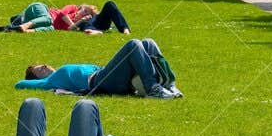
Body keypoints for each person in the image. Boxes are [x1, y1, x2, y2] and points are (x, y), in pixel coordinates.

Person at [15, 36, 180, 99]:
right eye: (39, 70)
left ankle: (169, 84)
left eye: (42, 65)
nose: (44, 66)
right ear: (38, 79)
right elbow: (19, 84)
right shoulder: (49, 82)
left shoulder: (59, 72)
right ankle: (153, 88)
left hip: (105, 73)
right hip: (100, 82)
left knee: (148, 42)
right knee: (133, 44)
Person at [0, 0, 131, 35]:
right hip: (41, 10)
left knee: (50, 28)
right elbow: (62, 13)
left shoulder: (84, 21)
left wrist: (82, 21)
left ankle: (124, 29)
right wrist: (75, 23)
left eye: (87, 13)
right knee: (49, 23)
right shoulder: (72, 8)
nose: (83, 14)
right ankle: (24, 26)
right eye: (83, 11)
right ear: (79, 8)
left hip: (45, 23)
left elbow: (73, 28)